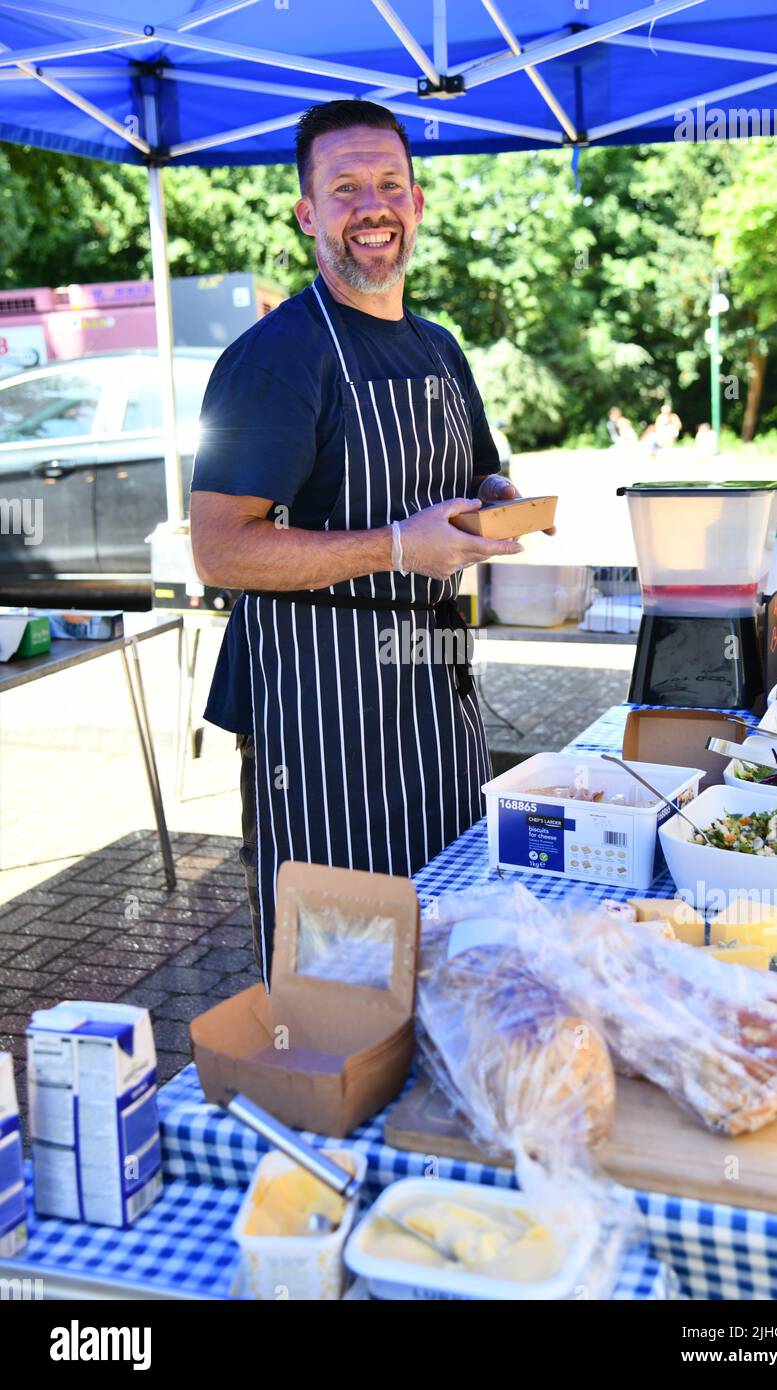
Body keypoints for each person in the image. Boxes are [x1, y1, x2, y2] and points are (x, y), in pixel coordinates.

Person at [189, 99, 544, 985]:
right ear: (309, 214)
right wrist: (394, 545)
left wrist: (497, 503)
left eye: (389, 183)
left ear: (417, 203)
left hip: (432, 691)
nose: (372, 204)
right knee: (340, 965)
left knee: (446, 925)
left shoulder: (440, 347)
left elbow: (476, 476)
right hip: (320, 708)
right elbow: (221, 550)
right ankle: (325, 1101)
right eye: (345, 187)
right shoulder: (275, 358)